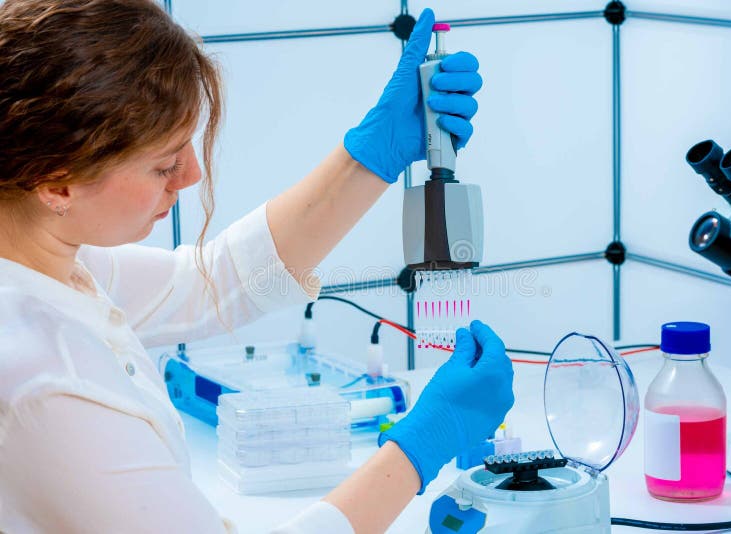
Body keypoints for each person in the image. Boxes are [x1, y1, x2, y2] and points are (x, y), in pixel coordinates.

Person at [0, 1, 514, 532]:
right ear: (57, 183)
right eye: (164, 164)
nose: (192, 174)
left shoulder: (50, 260)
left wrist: (371, 156)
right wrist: (418, 448)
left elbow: (210, 284)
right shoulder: (42, 381)